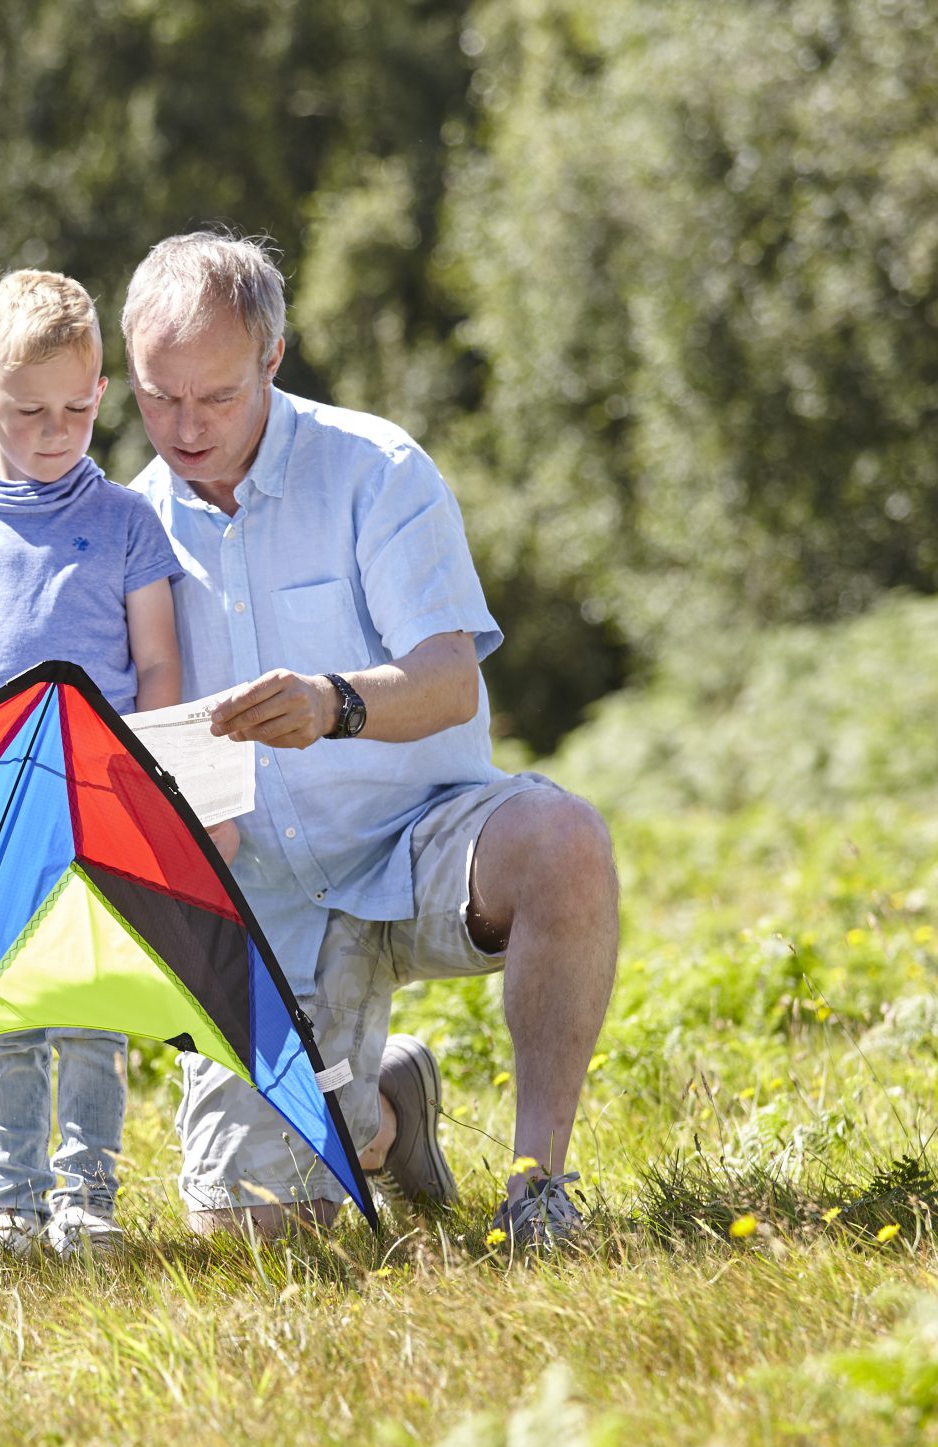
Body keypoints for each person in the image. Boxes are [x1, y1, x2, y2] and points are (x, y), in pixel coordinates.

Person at [121, 233, 620, 1253]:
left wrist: (333, 701)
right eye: (158, 397)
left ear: (273, 357)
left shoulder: (376, 470)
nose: (186, 427)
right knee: (252, 1232)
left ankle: (537, 1189)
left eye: (216, 396)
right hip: (267, 902)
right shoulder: (127, 529)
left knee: (564, 839)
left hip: (420, 843)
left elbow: (449, 676)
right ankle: (384, 1112)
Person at [0, 268, 187, 1260]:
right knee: (7, 1011)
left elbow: (157, 662)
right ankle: (13, 1207)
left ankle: (87, 1201)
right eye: (29, 412)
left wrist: (157, 781)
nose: (57, 430)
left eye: (76, 408)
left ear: (102, 392)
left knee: (92, 1009)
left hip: (98, 800)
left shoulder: (129, 521)